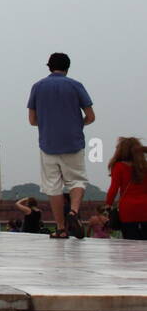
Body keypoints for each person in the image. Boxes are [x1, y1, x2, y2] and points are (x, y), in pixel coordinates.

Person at [27, 52, 95, 239]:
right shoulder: (75, 86)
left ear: (49, 66)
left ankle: (61, 228)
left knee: (53, 187)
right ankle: (73, 211)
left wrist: (50, 123)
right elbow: (91, 116)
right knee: (78, 180)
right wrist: (76, 123)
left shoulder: (38, 87)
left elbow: (32, 120)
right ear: (68, 67)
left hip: (48, 143)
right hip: (73, 141)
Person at [106, 136, 147, 241]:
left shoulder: (118, 166)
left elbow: (113, 189)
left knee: (130, 244)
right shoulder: (144, 167)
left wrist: (108, 205)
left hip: (128, 209)